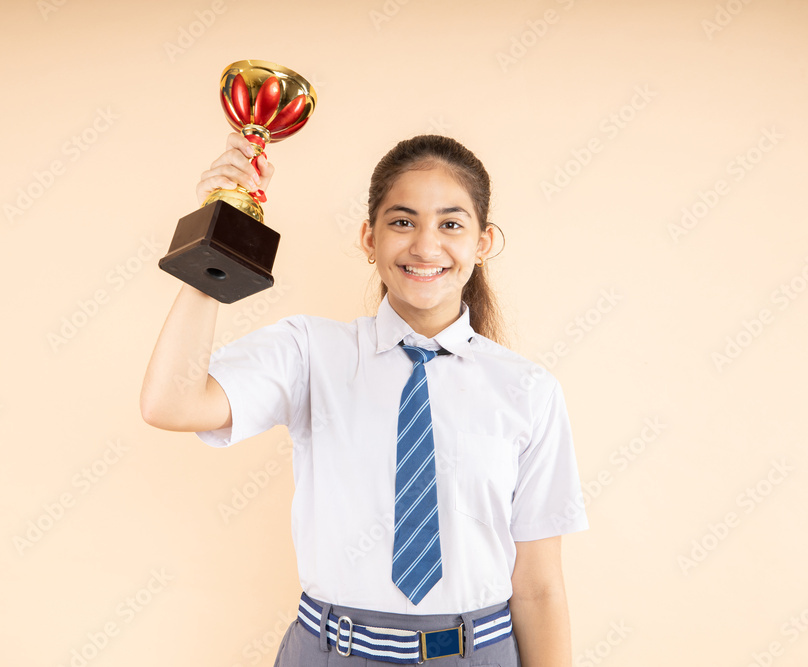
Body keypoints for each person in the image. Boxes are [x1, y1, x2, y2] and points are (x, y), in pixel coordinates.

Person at [140, 131, 589, 667]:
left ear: (484, 242)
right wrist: (220, 232)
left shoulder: (528, 390)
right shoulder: (310, 351)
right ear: (368, 238)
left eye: (451, 224)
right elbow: (171, 402)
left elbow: (539, 588)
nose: (425, 246)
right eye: (402, 222)